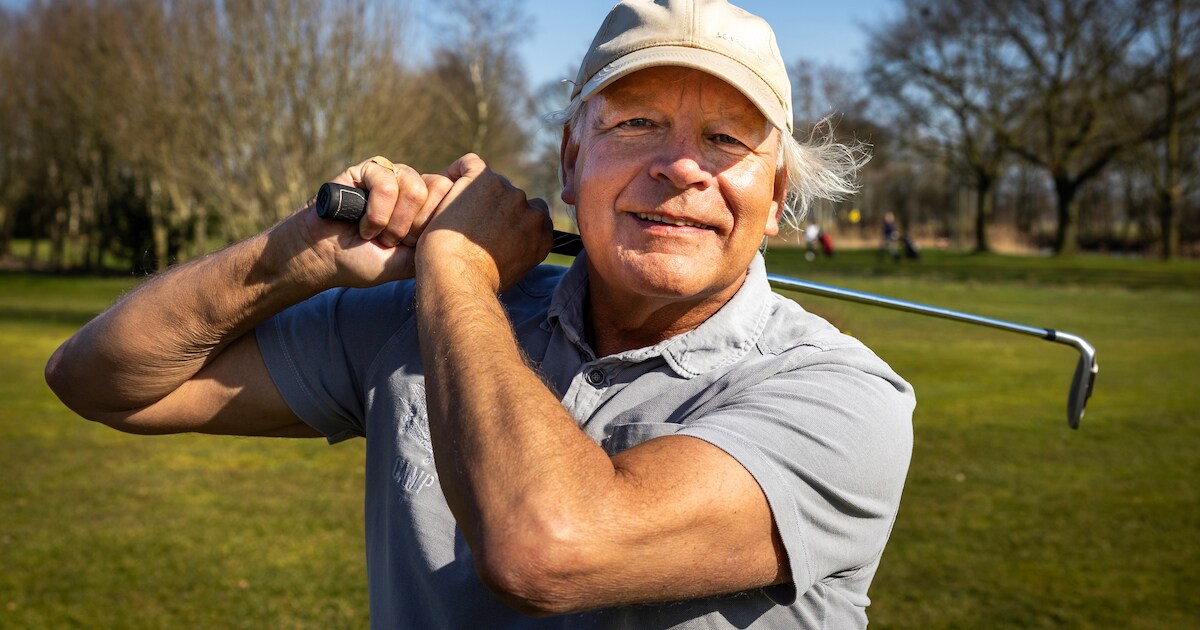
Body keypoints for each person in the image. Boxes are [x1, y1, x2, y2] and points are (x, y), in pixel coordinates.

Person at [45, 1, 914, 627]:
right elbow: (102, 380)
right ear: (573, 163)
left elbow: (545, 549)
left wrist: (456, 264)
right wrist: (301, 252)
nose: (682, 167)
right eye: (639, 122)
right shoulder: (425, 314)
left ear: (777, 197)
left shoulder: (845, 400)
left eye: (727, 139)